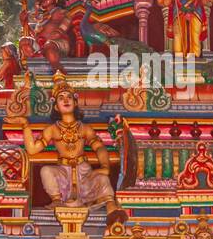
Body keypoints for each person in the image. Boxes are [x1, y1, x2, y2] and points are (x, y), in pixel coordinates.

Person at [12, 71, 127, 226]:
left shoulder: (84, 128)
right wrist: (25, 126)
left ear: (75, 102)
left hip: (84, 172)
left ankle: (111, 207)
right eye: (61, 98)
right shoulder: (52, 129)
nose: (65, 100)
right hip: (63, 173)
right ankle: (57, 200)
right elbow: (32, 150)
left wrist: (105, 166)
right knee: (45, 171)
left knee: (102, 179)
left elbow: (99, 147)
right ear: (56, 106)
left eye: (69, 97)